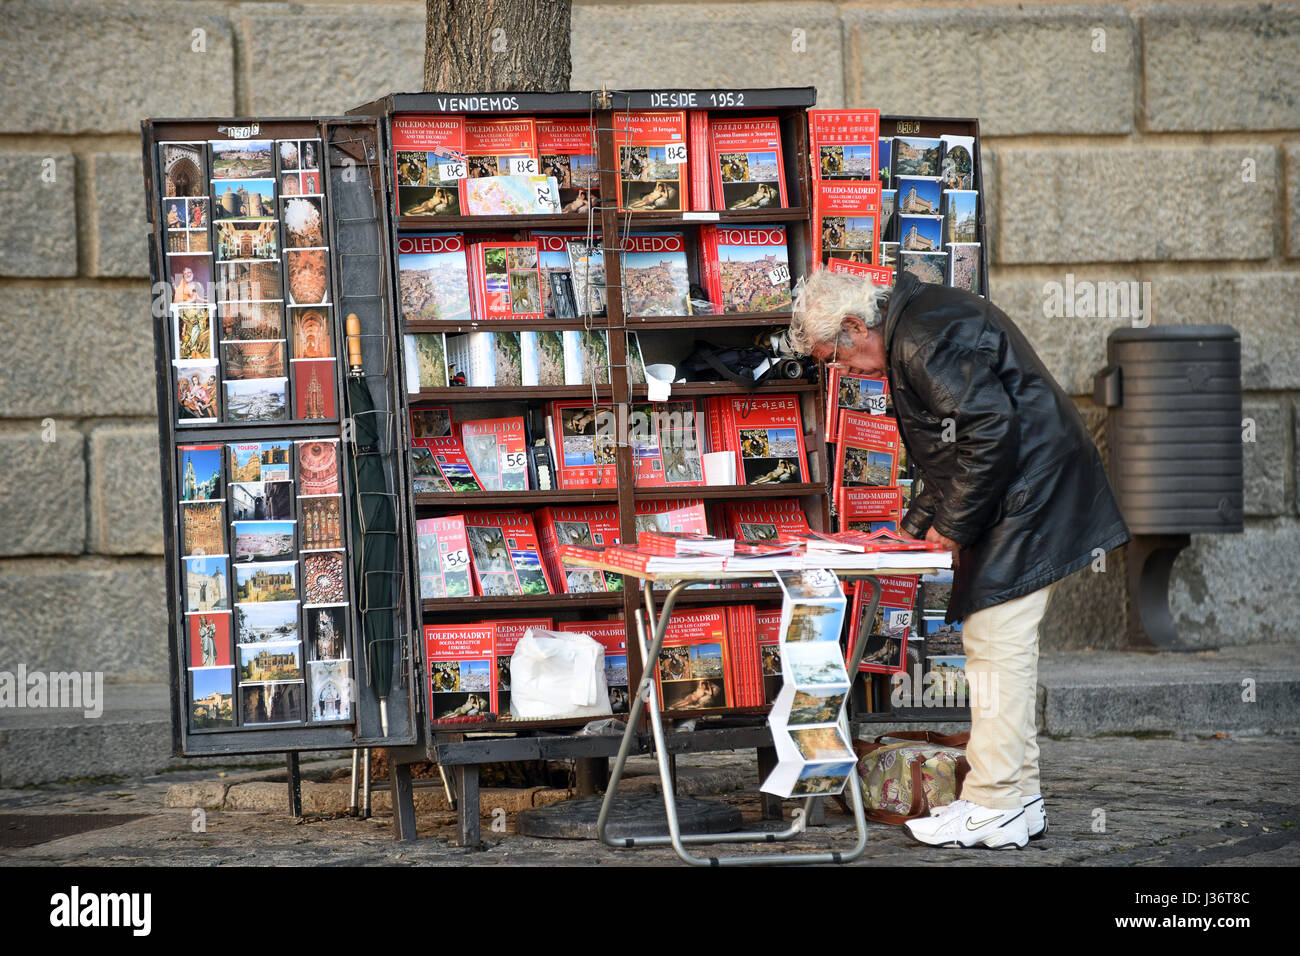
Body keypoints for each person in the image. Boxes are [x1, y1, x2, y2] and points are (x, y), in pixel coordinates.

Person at [788, 268, 1130, 849]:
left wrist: (947, 527)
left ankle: (994, 801)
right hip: (1025, 490)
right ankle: (1016, 799)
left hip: (1030, 496)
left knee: (998, 646)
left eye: (834, 358)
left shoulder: (919, 338)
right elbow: (959, 445)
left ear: (853, 325)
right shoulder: (915, 326)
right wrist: (915, 526)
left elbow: (989, 436)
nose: (841, 371)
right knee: (999, 645)